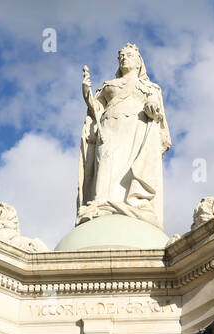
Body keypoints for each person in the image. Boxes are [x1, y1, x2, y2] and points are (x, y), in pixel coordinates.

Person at [77, 43, 171, 228]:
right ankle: (100, 205)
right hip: (110, 127)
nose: (123, 58)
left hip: (138, 128)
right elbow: (96, 110)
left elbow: (159, 117)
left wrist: (153, 107)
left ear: (138, 62)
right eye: (121, 56)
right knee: (106, 162)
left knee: (133, 168)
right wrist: (87, 93)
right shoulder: (108, 86)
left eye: (128, 55)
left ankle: (135, 203)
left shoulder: (151, 88)